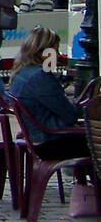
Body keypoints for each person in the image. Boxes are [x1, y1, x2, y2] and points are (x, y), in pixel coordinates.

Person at [7, 27, 90, 164]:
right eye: (55, 50)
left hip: (37, 138)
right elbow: (70, 115)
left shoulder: (21, 73)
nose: (57, 55)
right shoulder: (40, 76)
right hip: (50, 141)